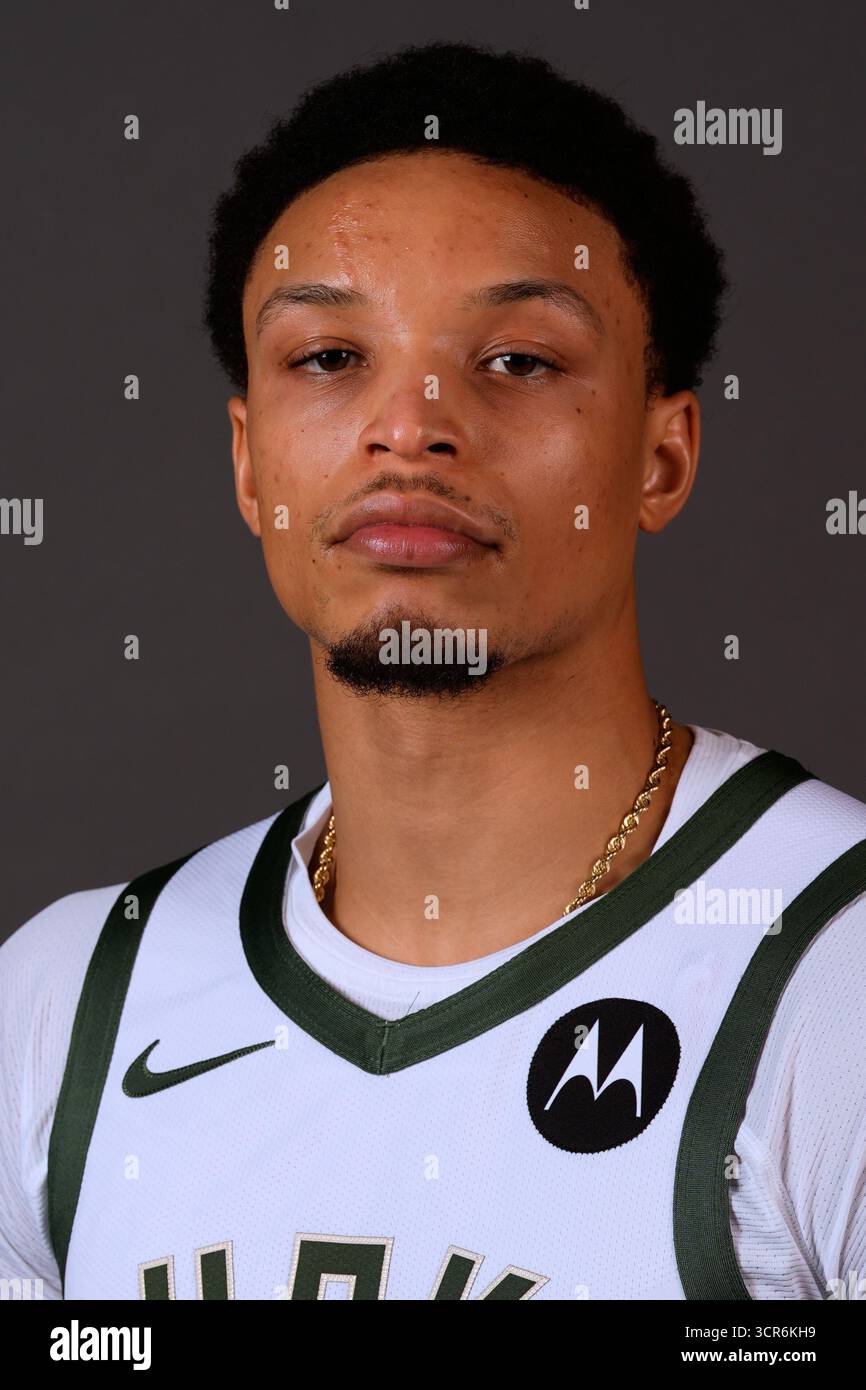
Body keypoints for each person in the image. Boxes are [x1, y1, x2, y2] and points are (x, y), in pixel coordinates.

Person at [1, 41, 864, 1302]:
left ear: (661, 457)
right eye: (328, 358)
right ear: (249, 464)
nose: (409, 424)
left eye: (517, 358)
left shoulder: (826, 978)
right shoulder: (69, 1003)